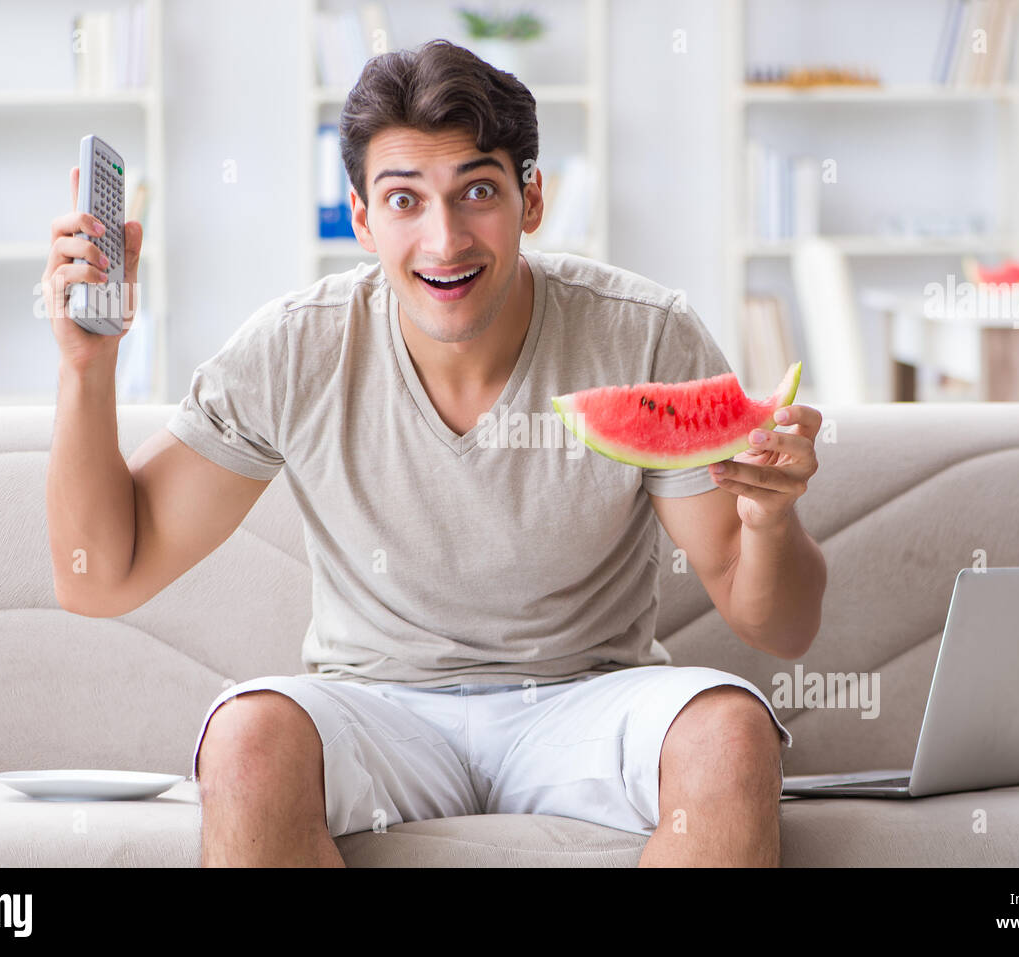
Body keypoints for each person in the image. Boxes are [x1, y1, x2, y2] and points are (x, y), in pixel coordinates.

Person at [42, 39, 826, 868]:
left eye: (476, 191)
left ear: (532, 200)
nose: (444, 239)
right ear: (361, 217)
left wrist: (772, 521)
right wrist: (86, 368)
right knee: (245, 738)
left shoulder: (646, 333)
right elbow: (99, 576)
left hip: (589, 701)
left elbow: (781, 626)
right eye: (405, 199)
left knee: (733, 733)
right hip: (376, 710)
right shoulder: (295, 347)